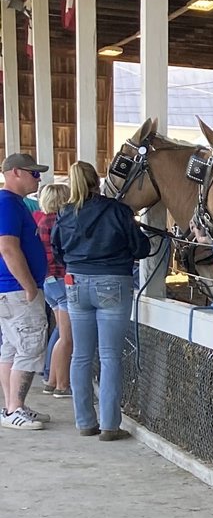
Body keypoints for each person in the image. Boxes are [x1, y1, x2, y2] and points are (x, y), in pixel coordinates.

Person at [53, 159, 150, 441]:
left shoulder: (65, 214)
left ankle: (84, 422)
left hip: (75, 283)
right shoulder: (118, 210)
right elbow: (141, 248)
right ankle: (109, 425)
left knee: (81, 355)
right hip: (113, 282)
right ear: (97, 181)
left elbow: (58, 250)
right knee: (110, 357)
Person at [0, 149, 50, 430]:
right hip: (18, 291)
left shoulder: (15, 203)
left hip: (10, 290)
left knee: (11, 347)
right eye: (34, 173)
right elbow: (7, 247)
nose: (38, 179)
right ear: (15, 173)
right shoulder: (7, 203)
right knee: (29, 347)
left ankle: (11, 407)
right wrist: (29, 285)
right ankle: (14, 408)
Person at [34, 182, 72, 398]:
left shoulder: (42, 222)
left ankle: (52, 381)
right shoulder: (59, 222)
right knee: (68, 337)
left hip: (49, 281)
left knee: (60, 333)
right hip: (60, 279)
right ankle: (61, 385)